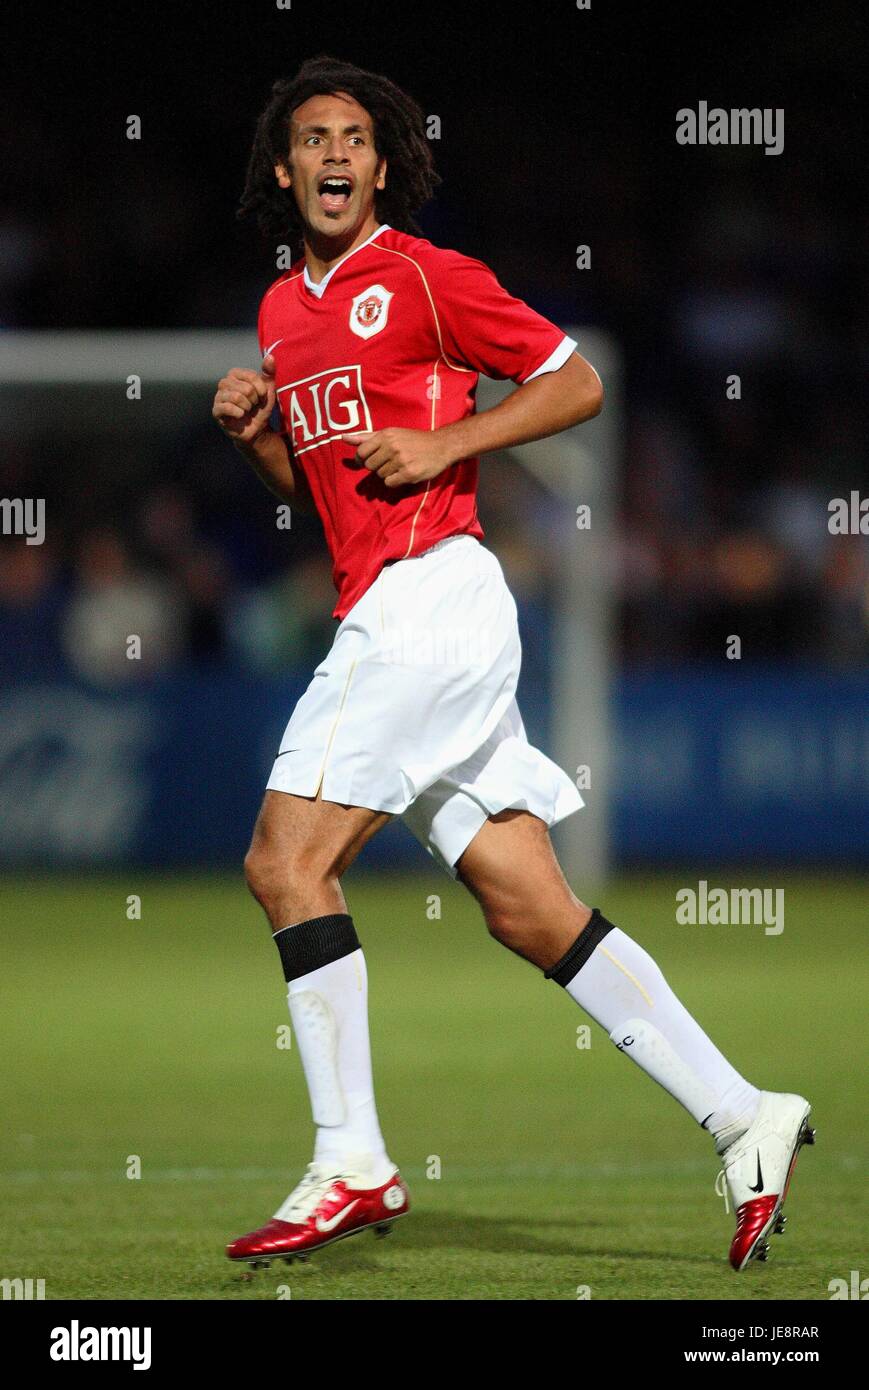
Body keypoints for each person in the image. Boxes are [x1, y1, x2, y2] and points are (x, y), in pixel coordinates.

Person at [212, 55, 812, 1274]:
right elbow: (326, 505)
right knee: (529, 907)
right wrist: (264, 439)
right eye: (311, 138)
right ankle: (743, 1114)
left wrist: (449, 434)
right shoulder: (284, 314)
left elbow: (573, 379)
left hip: (433, 596)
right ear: (284, 170)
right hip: (383, 600)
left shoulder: (428, 278)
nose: (333, 154)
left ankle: (351, 1160)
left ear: (382, 166)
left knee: (284, 859)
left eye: (355, 138)